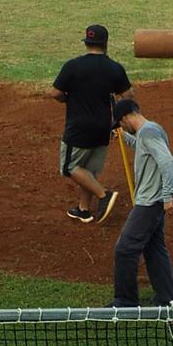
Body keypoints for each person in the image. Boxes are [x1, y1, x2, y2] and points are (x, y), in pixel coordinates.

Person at [47, 24, 129, 224]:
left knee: (70, 167)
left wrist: (66, 99)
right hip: (103, 128)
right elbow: (128, 96)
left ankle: (104, 195)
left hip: (79, 128)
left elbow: (55, 93)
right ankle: (84, 210)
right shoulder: (114, 68)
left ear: (87, 42)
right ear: (105, 43)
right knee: (88, 170)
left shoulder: (73, 66)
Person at [111, 98, 173, 307]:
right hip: (153, 201)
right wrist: (124, 138)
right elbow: (143, 146)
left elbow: (167, 161)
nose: (122, 127)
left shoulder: (148, 132)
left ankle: (126, 300)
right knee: (154, 249)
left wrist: (168, 196)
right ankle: (168, 298)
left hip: (150, 203)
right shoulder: (149, 131)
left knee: (125, 248)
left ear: (125, 118)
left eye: (121, 125)